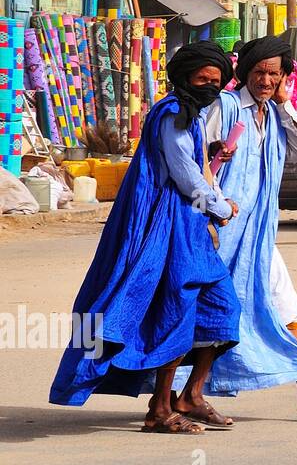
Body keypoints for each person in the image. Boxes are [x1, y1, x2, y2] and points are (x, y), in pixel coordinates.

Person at [49, 41, 242, 434]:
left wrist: (216, 179)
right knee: (174, 310)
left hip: (190, 226)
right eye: (202, 79)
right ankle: (160, 408)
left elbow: (195, 164)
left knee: (221, 309)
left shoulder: (194, 116)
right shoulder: (173, 114)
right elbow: (184, 174)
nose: (208, 86)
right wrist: (220, 208)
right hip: (166, 223)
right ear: (184, 78)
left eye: (215, 82)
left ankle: (191, 395)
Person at [196, 35, 297, 422]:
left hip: (258, 237)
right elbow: (196, 159)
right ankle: (178, 395)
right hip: (221, 232)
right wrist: (208, 210)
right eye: (259, 72)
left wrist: (286, 104)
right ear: (244, 73)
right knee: (209, 312)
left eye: (274, 74)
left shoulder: (274, 113)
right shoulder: (226, 106)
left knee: (287, 304)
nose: (266, 80)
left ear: (285, 76)